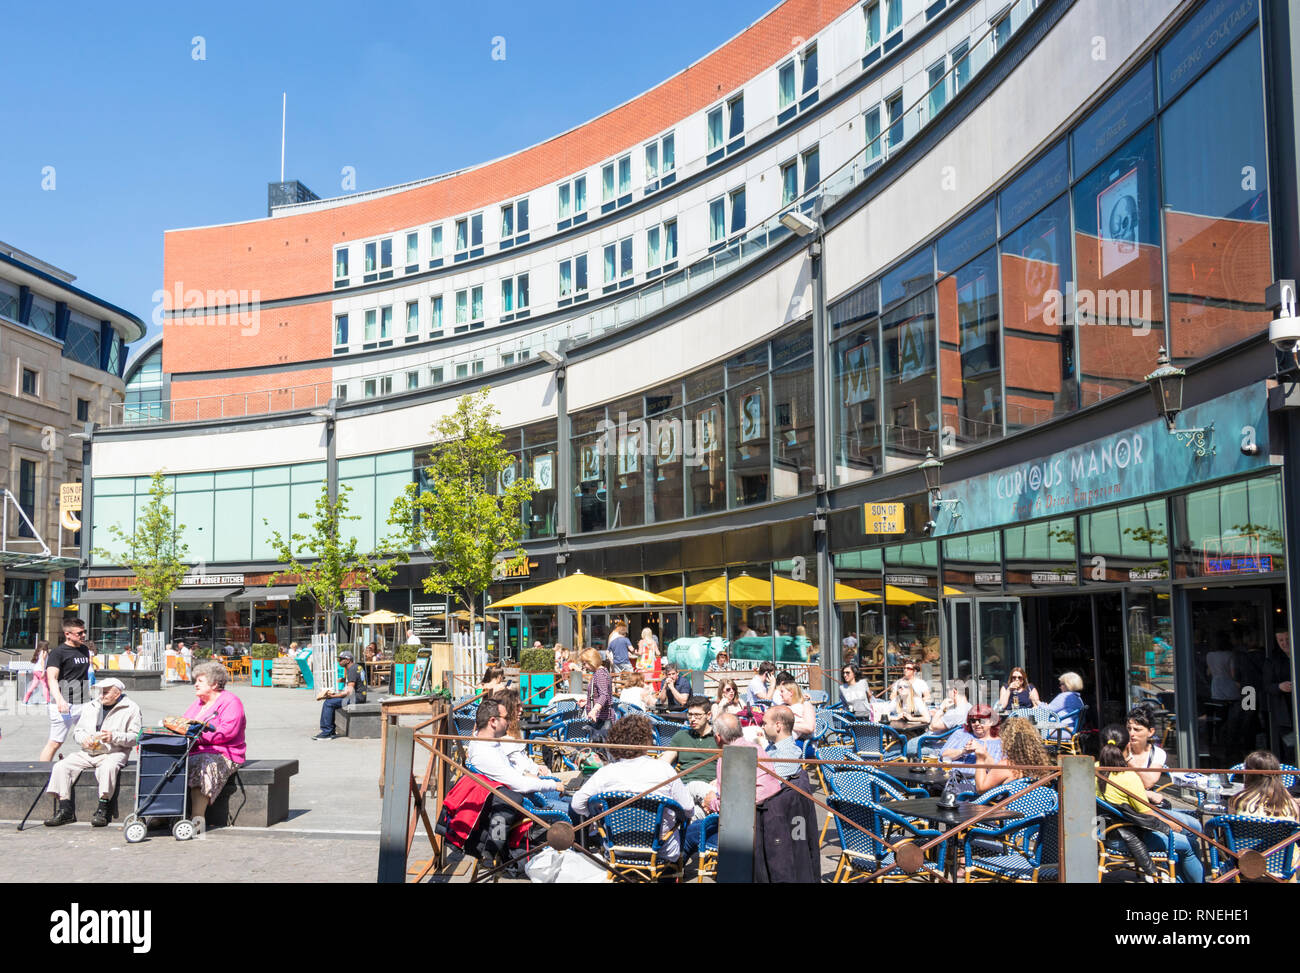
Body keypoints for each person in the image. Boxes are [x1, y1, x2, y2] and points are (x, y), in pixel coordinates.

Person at [570, 714, 693, 862]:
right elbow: (688, 808)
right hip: (660, 850)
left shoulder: (606, 772)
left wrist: (597, 816)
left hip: (617, 849)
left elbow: (577, 804)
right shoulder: (664, 769)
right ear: (647, 740)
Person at [1096, 724, 1202, 883]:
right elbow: (1148, 815)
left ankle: (1179, 874)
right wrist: (1173, 826)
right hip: (1127, 837)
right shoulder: (1128, 776)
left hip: (1102, 832)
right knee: (1190, 845)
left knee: (1191, 828)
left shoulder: (1091, 769)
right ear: (1128, 745)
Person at [41, 677, 142, 828]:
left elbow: (136, 737)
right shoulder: (91, 706)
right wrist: (84, 739)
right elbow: (78, 731)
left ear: (117, 693)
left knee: (108, 768)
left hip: (114, 751)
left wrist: (113, 737)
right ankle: (65, 809)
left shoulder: (131, 708)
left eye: (106, 692)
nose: (101, 695)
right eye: (100, 692)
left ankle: (103, 809)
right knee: (61, 766)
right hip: (88, 752)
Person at [183, 661, 248, 824]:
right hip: (195, 749)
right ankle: (163, 814)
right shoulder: (198, 704)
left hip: (224, 752)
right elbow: (184, 724)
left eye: (200, 681)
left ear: (213, 683)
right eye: (196, 680)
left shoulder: (231, 702)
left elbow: (227, 732)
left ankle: (197, 818)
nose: (195, 684)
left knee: (203, 765)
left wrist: (198, 737)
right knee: (169, 765)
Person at [474, 692, 559, 788]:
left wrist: (537, 768)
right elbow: (519, 777)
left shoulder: (495, 740)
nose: (521, 709)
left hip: (537, 779)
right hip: (536, 783)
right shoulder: (501, 741)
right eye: (517, 706)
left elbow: (518, 767)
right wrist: (550, 782)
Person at [39, 618, 94, 763]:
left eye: (84, 632)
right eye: (80, 633)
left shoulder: (84, 649)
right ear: (67, 634)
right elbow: (52, 678)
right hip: (64, 704)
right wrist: (59, 700)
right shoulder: (58, 653)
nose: (83, 635)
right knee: (55, 742)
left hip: (83, 703)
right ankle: (40, 774)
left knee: (90, 739)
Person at [973, 716, 1051, 793]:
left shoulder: (1007, 766)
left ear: (1008, 742)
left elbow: (980, 789)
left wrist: (980, 759)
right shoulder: (1038, 764)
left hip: (999, 805)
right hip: (1026, 803)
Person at [661, 696, 719, 800]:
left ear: (708, 715)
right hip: (685, 787)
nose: (692, 719)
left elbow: (732, 766)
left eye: (697, 715)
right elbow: (663, 763)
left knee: (696, 812)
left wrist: (720, 779)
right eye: (690, 714)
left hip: (711, 788)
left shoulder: (719, 737)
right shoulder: (681, 736)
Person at [312, 649, 367, 740]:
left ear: (348, 660)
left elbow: (348, 692)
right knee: (331, 702)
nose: (339, 661)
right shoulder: (355, 667)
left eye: (341, 659)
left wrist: (331, 696)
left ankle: (327, 732)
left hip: (356, 697)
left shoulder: (352, 670)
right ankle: (330, 731)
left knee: (329, 703)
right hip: (359, 695)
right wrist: (342, 680)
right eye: (339, 659)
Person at [761, 705, 804, 779]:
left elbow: (770, 785)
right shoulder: (773, 746)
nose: (762, 727)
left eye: (765, 723)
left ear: (778, 725)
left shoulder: (788, 755)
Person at [580, 648, 615, 732]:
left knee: (600, 744)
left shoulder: (600, 674)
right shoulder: (602, 672)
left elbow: (604, 695)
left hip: (602, 719)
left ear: (592, 660)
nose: (584, 667)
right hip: (602, 717)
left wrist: (594, 710)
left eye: (585, 663)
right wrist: (588, 701)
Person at [773, 673, 815, 741]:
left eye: (782, 691)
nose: (780, 694)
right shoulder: (784, 705)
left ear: (791, 693)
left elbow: (809, 728)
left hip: (803, 743)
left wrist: (786, 725)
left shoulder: (806, 705)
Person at [888, 660, 930, 725]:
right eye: (904, 668)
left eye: (908, 668)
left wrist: (917, 704)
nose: (905, 670)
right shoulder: (899, 682)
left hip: (916, 712)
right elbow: (892, 696)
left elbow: (927, 696)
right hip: (901, 712)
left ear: (914, 671)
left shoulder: (921, 683)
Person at [24, 640, 50, 704]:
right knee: (45, 685)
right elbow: (43, 662)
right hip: (41, 670)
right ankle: (48, 701)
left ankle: (25, 700)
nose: (48, 646)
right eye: (47, 645)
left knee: (33, 685)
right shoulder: (44, 652)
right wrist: (43, 671)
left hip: (35, 670)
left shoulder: (38, 652)